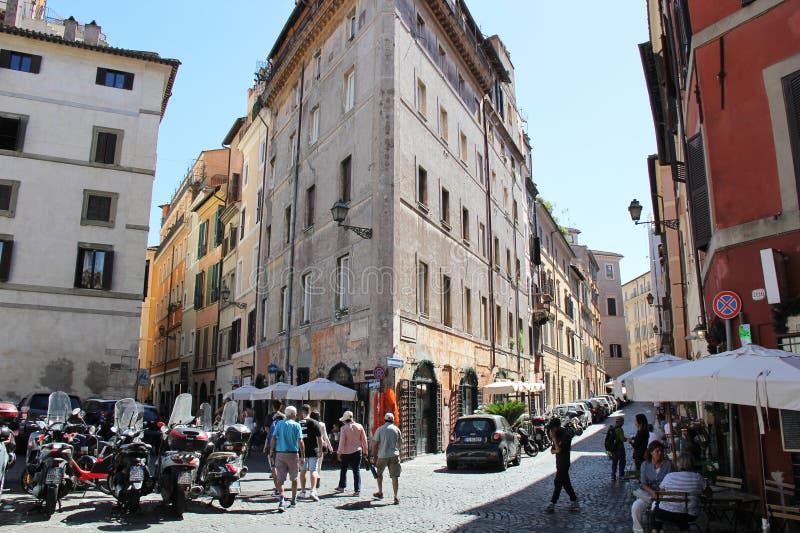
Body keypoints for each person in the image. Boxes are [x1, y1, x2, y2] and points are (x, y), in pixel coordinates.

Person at [650, 452, 705, 532]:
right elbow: (708, 493)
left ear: (678, 464)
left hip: (666, 513)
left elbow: (661, 495)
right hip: (688, 515)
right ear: (692, 463)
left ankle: (655, 531)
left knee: (655, 512)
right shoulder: (698, 477)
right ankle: (686, 530)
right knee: (681, 513)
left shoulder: (669, 476)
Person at [631, 440, 673, 533]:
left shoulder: (668, 464)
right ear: (651, 452)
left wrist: (660, 493)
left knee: (655, 508)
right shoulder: (645, 465)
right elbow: (643, 483)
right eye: (657, 451)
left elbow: (670, 481)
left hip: (662, 495)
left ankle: (658, 529)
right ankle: (638, 530)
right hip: (648, 494)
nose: (660, 453)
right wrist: (652, 492)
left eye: (661, 451)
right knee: (636, 506)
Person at [269, 406, 305, 512]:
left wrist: (271, 451)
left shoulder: (279, 424)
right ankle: (293, 500)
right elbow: (300, 441)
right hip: (293, 454)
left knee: (281, 479)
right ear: (293, 414)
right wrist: (303, 455)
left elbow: (274, 438)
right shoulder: (297, 425)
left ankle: (281, 500)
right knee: (294, 478)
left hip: (280, 454)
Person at [544, 418, 579, 513]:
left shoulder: (565, 435)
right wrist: (555, 444)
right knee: (566, 483)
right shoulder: (558, 434)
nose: (551, 431)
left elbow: (558, 450)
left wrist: (554, 439)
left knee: (558, 482)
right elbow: (552, 450)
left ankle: (552, 503)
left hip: (564, 463)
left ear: (556, 427)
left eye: (552, 428)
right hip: (559, 463)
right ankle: (574, 500)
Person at [334, 410, 368, 497]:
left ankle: (342, 486)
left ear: (345, 420)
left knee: (343, 469)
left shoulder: (344, 428)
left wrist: (339, 452)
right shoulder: (359, 426)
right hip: (357, 451)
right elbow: (364, 440)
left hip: (346, 452)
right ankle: (357, 490)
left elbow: (342, 441)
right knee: (356, 470)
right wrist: (365, 451)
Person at [370, 412, 402, 505]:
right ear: (393, 420)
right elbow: (400, 443)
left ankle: (380, 492)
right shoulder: (397, 429)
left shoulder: (380, 429)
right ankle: (396, 496)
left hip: (382, 455)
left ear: (384, 419)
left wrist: (372, 455)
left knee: (379, 474)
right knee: (395, 476)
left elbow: (375, 444)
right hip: (394, 455)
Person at [298, 404, 323, 501]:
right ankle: (313, 490)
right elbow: (319, 438)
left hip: (302, 451)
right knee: (313, 470)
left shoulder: (299, 423)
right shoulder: (315, 423)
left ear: (302, 412)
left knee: (303, 471)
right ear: (310, 411)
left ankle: (303, 491)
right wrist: (320, 449)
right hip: (313, 450)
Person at [263, 411, 285, 496]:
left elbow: (270, 437)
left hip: (273, 447)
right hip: (283, 448)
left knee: (273, 468)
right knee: (281, 468)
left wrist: (267, 447)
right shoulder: (285, 424)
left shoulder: (273, 424)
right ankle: (281, 487)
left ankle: (277, 489)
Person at [310, 410, 333, 490]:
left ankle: (313, 480)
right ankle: (318, 476)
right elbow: (326, 437)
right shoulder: (322, 424)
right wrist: (330, 447)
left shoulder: (309, 423)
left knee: (312, 465)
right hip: (321, 445)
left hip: (312, 446)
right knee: (319, 465)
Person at [609, 415, 627, 481]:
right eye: (623, 422)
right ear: (620, 422)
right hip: (619, 448)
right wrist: (628, 439)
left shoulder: (611, 427)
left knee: (614, 462)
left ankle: (613, 476)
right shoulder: (619, 429)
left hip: (612, 449)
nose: (623, 423)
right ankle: (621, 475)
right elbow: (622, 439)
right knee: (622, 461)